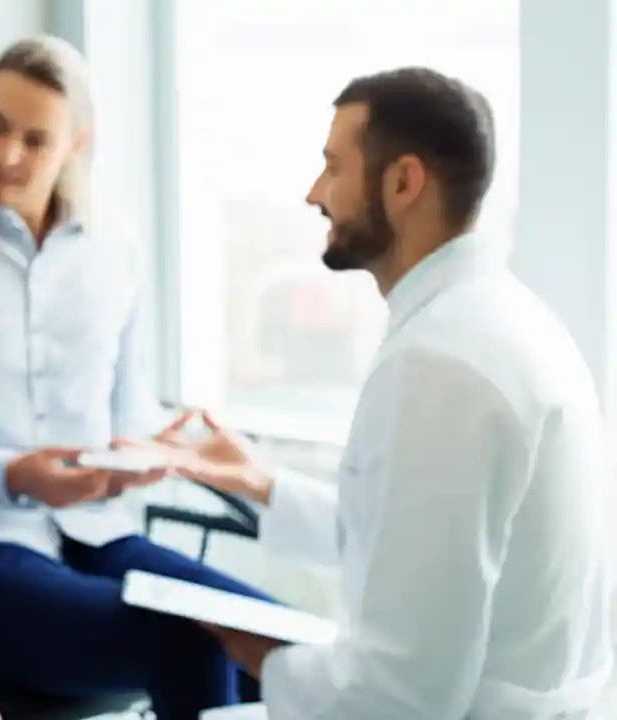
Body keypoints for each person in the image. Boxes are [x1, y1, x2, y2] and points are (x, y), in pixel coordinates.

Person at [134, 67, 614, 718]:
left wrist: (267, 659)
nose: (313, 194)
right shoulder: (506, 322)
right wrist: (259, 482)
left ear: (403, 182)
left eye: (333, 166)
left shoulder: (441, 365)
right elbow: (417, 547)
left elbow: (397, 695)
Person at [0, 35, 272, 716]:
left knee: (278, 640)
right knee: (188, 644)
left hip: (102, 533)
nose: (7, 153)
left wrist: (152, 452)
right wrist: (15, 473)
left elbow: (126, 409)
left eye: (35, 139)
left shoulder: (116, 250)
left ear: (77, 143)